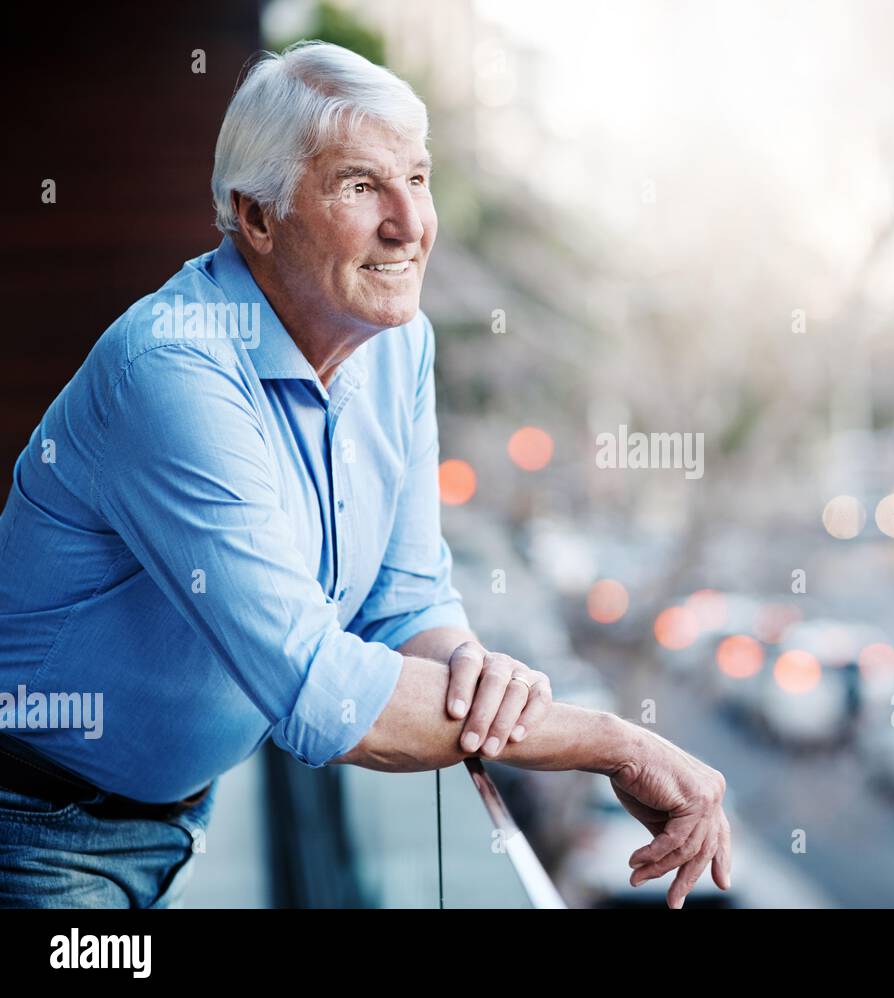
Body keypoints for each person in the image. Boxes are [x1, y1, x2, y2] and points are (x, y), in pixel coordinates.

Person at [0, 41, 729, 909]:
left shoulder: (395, 343)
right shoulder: (173, 368)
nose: (409, 223)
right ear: (257, 217)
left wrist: (474, 670)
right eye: (359, 185)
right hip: (36, 824)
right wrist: (613, 741)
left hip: (175, 812)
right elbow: (323, 693)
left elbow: (405, 598)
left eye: (417, 180)